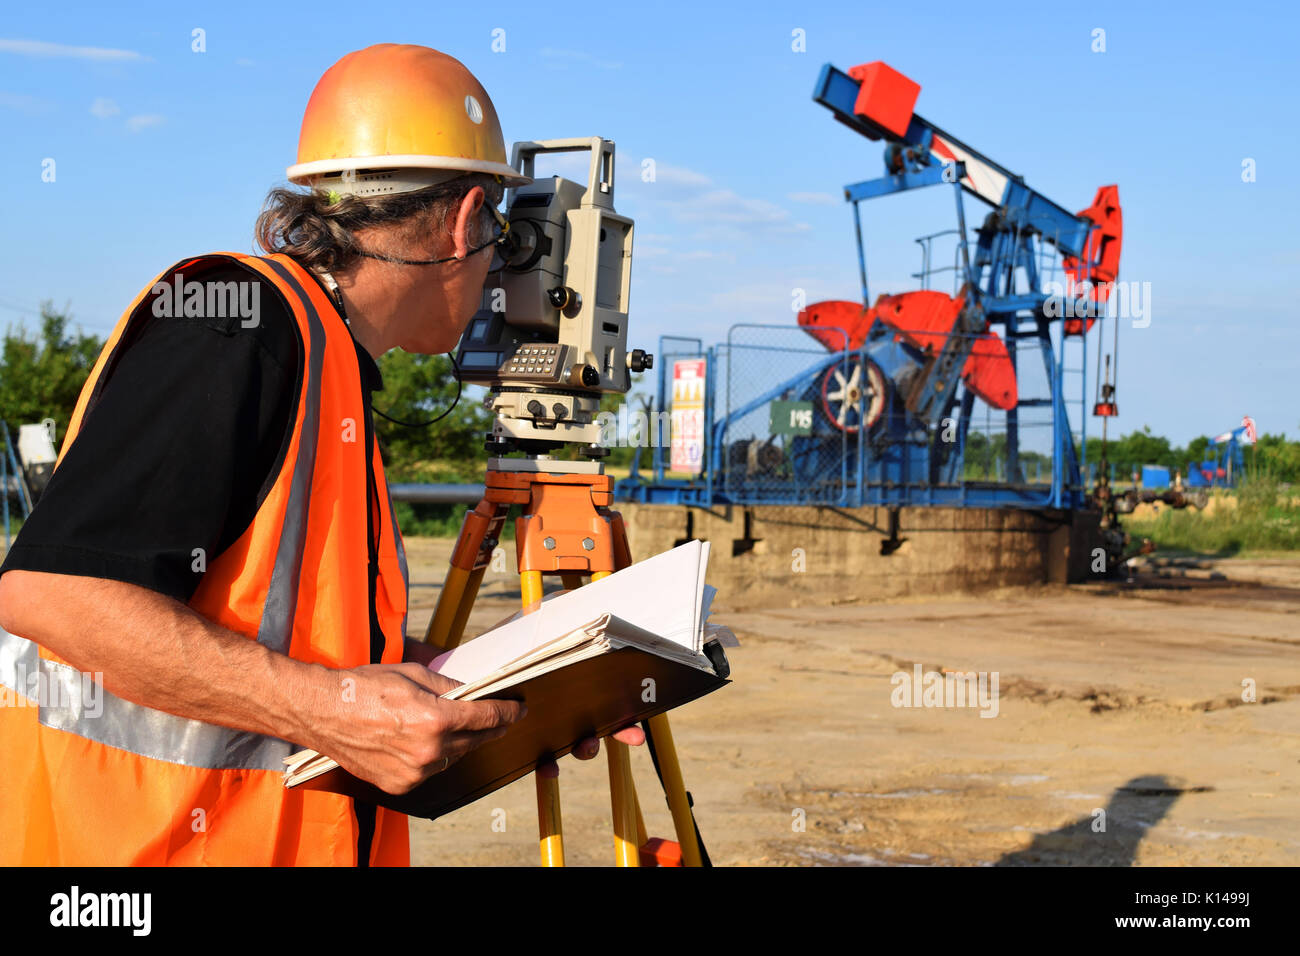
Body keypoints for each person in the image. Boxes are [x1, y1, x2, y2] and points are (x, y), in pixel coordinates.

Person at [0, 43, 639, 866]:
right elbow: (52, 593)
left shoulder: (326, 364)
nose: (494, 271)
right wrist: (333, 708)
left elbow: (274, 632)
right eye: (502, 237)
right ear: (464, 218)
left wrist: (472, 689)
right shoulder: (235, 325)